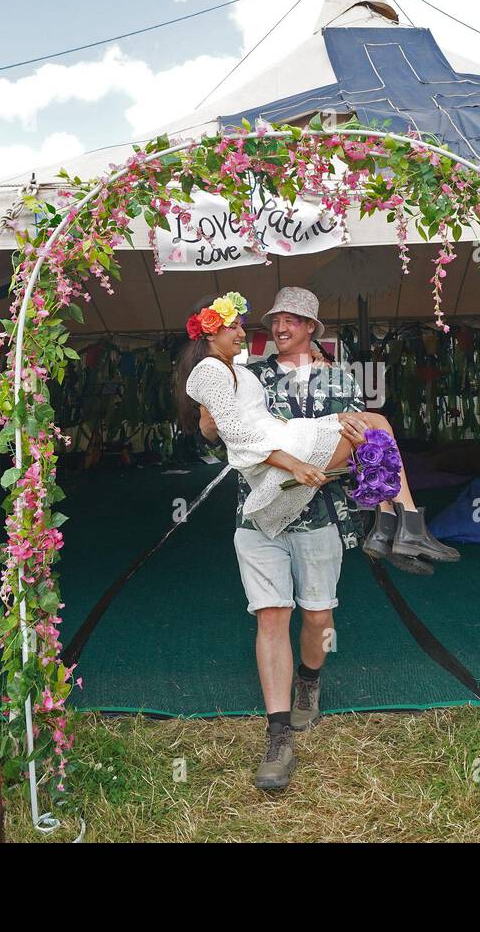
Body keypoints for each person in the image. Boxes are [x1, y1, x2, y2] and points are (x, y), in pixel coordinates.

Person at [179, 288, 454, 790]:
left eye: (291, 319)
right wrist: (206, 422)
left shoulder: (339, 378)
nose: (279, 327)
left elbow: (358, 445)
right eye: (274, 319)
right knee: (271, 617)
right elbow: (218, 430)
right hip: (258, 513)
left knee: (319, 618)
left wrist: (345, 453)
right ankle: (278, 733)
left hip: (323, 510)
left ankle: (309, 679)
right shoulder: (249, 371)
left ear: (311, 327)